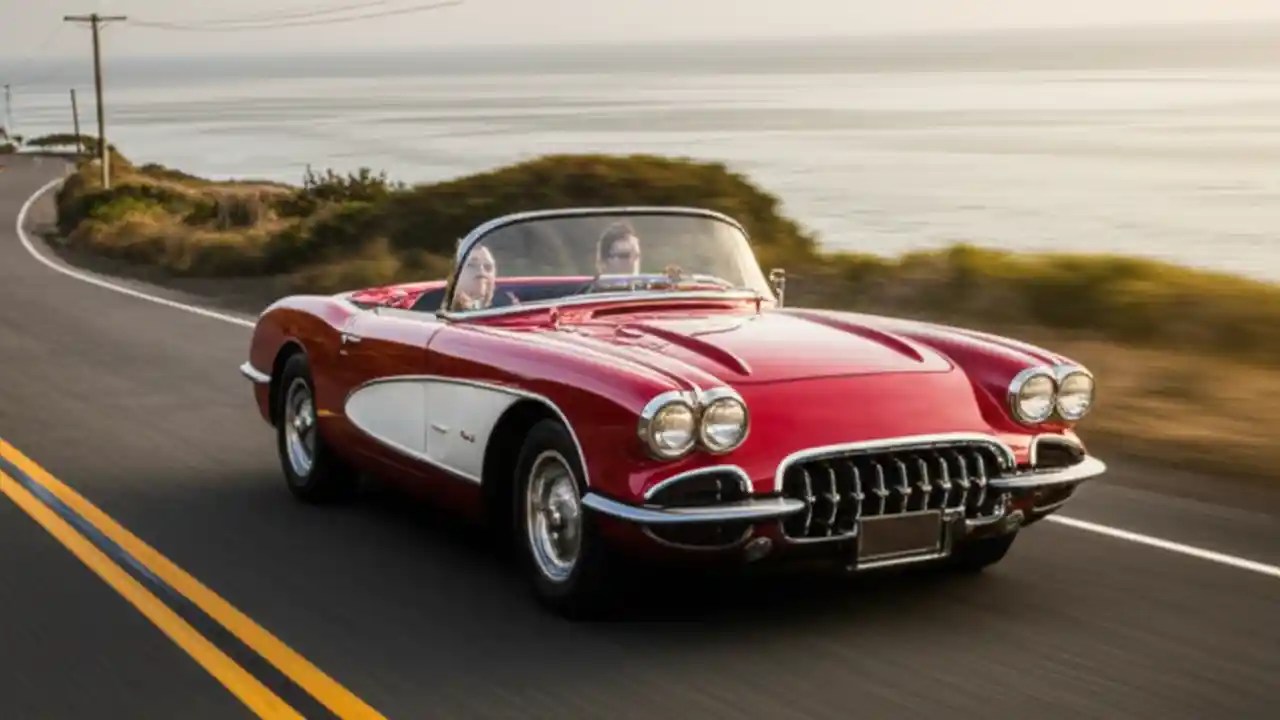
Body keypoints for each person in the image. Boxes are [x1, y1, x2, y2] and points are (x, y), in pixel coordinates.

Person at [452, 244, 496, 310]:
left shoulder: (508, 305)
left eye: (488, 266)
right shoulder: (438, 308)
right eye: (471, 265)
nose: (481, 270)